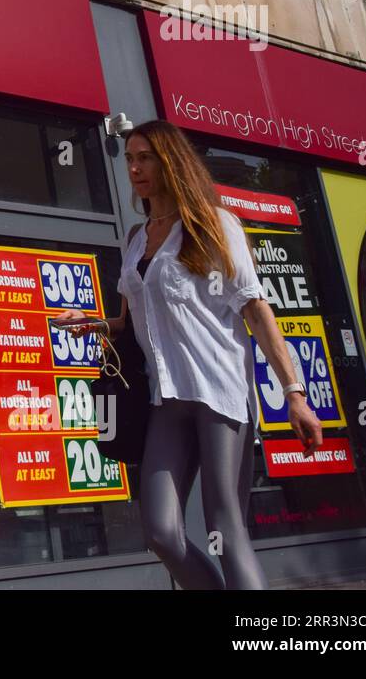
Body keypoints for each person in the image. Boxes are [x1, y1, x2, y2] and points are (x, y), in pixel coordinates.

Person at [57, 120, 322, 590]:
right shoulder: (137, 238)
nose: (135, 168)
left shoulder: (216, 226)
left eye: (146, 158)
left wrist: (294, 393)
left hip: (219, 392)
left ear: (171, 162)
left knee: (226, 528)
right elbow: (132, 320)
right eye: (130, 159)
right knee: (160, 531)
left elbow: (256, 312)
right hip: (167, 399)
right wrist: (96, 322)